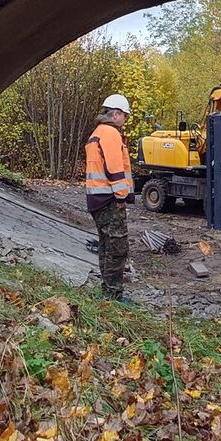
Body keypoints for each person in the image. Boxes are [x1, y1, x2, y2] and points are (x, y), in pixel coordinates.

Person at [84, 93, 134, 300]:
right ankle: (113, 295)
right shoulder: (111, 133)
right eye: (125, 115)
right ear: (115, 114)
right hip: (110, 199)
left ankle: (107, 292)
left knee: (105, 245)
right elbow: (114, 168)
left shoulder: (97, 133)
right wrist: (122, 197)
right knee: (117, 247)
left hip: (97, 198)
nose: (125, 120)